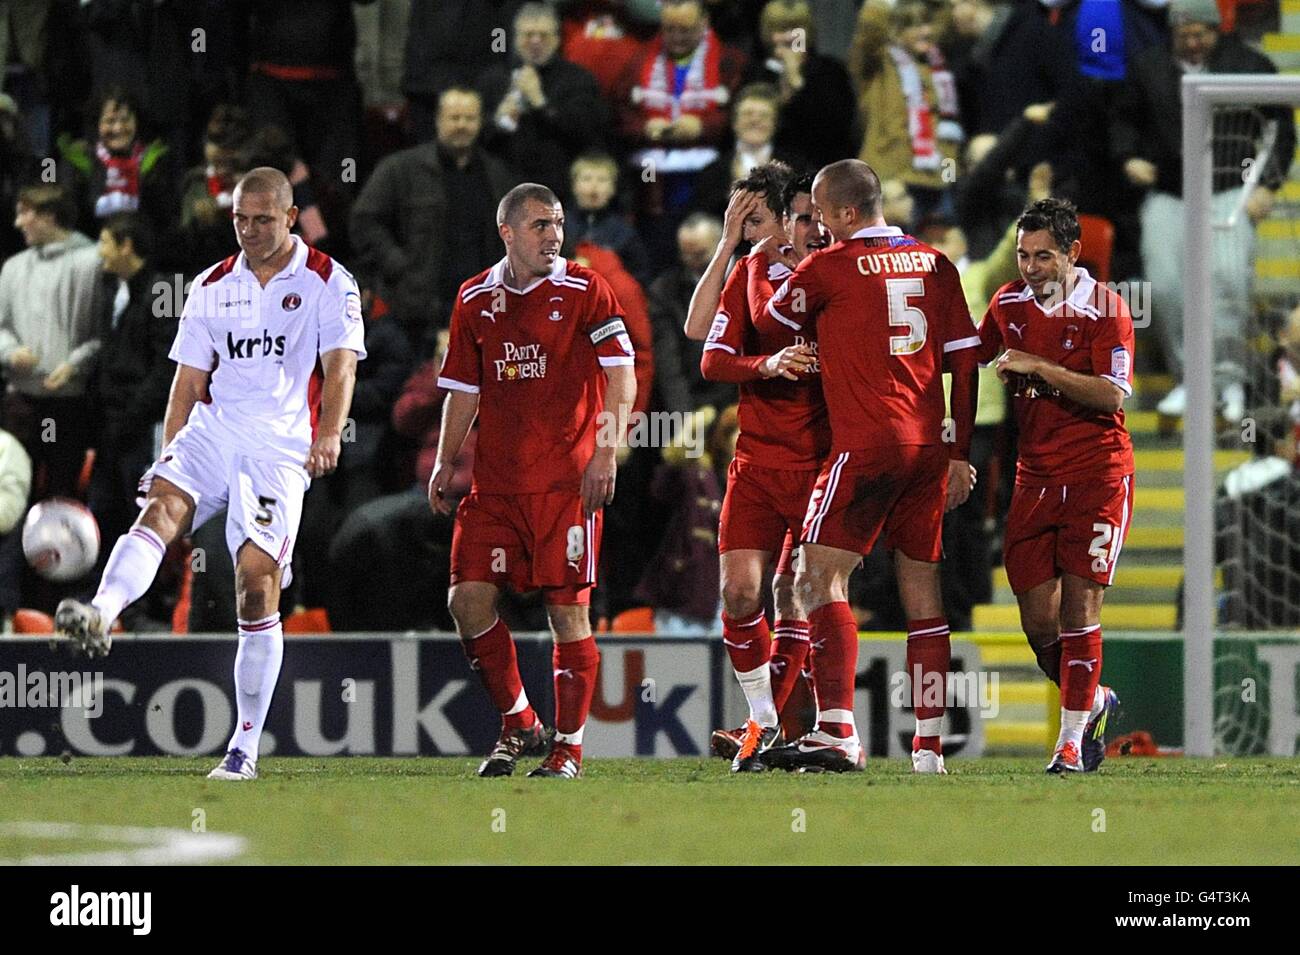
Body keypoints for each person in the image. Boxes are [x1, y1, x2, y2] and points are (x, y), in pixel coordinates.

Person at [54, 167, 367, 782]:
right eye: (240, 221)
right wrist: (172, 453)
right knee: (162, 507)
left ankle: (244, 749)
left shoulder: (330, 280)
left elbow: (340, 366)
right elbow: (188, 381)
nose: (249, 231)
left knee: (256, 584)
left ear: (290, 214)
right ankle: (101, 612)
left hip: (279, 444)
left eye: (263, 220)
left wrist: (330, 432)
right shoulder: (210, 285)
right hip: (216, 428)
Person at [747, 159, 980, 774]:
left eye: (822, 215)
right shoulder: (935, 262)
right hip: (929, 448)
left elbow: (770, 321)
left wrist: (759, 260)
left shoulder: (826, 266)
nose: (817, 227)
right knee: (924, 596)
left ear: (847, 213)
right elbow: (964, 361)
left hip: (865, 444)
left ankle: (837, 730)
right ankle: (928, 750)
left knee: (814, 578)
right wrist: (960, 453)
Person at [430, 182, 636, 780]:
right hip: (494, 486)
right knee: (465, 601)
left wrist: (606, 451)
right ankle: (520, 719)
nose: (555, 236)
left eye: (559, 224)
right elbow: (464, 388)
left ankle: (568, 746)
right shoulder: (473, 298)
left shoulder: (585, 288)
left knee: (567, 613)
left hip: (563, 486)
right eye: (542, 225)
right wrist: (447, 461)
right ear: (509, 232)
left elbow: (620, 377)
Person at [972, 197, 1131, 773]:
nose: (1031, 268)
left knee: (1079, 607)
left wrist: (1040, 367)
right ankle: (1093, 701)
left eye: (1043, 256)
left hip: (1098, 474)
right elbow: (970, 358)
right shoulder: (1008, 302)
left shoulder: (1107, 309)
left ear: (1072, 253)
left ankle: (1068, 742)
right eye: (1022, 255)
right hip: (1035, 478)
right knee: (1037, 617)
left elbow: (1112, 395)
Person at [687, 166, 832, 770]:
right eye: (738, 221)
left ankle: (800, 727)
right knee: (740, 590)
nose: (744, 230)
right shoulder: (747, 271)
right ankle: (767, 721)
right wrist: (768, 364)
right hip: (757, 461)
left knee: (802, 591)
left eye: (753, 219)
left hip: (823, 461)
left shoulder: (833, 272)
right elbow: (707, 349)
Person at [351, 86, 515, 355]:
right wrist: (399, 265)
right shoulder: (400, 169)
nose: (461, 125)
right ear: (438, 120)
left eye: (469, 118)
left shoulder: (497, 175)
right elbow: (364, 221)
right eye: (454, 118)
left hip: (484, 311)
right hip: (413, 313)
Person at [0, 183, 104, 498]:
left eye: (24, 214)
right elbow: (1, 326)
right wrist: (10, 351)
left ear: (49, 216)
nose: (17, 223)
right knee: (13, 491)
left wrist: (74, 366)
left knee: (61, 492)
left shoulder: (93, 262)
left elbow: (104, 333)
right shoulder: (14, 267)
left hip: (68, 404)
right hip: (21, 401)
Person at [88, 213, 175, 556]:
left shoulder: (164, 291)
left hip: (142, 428)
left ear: (126, 246)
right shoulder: (114, 290)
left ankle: (143, 604)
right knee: (104, 511)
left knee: (139, 517)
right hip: (111, 426)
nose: (100, 252)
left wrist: (131, 418)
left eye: (105, 243)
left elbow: (167, 368)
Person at [478, 2, 608, 204]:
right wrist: (498, 120)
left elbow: (586, 133)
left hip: (559, 193)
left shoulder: (578, 79)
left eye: (544, 35)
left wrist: (541, 104)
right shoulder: (493, 79)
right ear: (516, 38)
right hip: (502, 191)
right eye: (528, 35)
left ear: (557, 39)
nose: (536, 41)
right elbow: (477, 136)